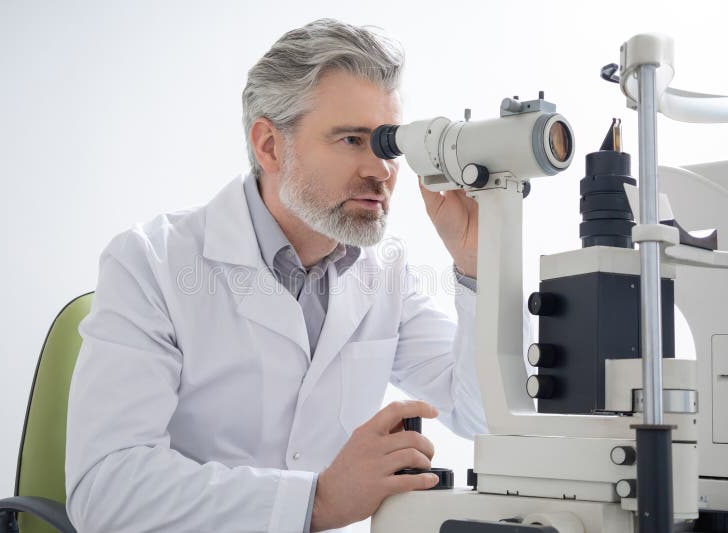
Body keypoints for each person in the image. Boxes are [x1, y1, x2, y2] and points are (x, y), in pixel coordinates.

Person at [65, 18, 488, 533]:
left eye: (387, 145)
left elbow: (481, 417)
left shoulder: (387, 273)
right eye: (352, 139)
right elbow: (106, 491)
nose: (380, 171)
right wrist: (318, 501)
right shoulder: (150, 262)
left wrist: (477, 269)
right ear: (269, 145)